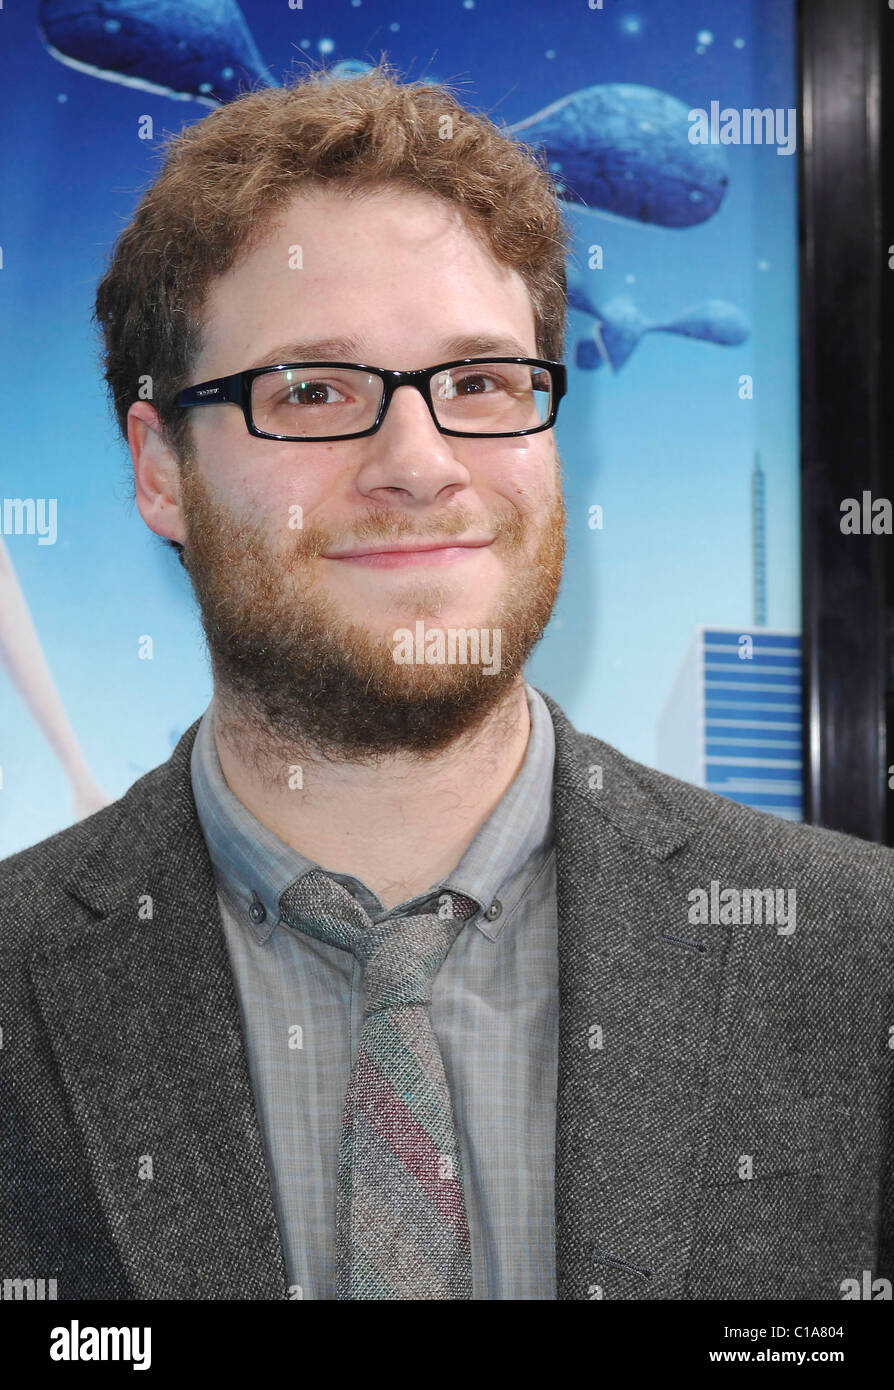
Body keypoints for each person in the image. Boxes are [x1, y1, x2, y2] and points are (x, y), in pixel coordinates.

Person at [1, 63, 892, 1303]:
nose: (420, 463)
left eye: (479, 383)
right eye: (311, 391)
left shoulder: (862, 961)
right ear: (161, 472)